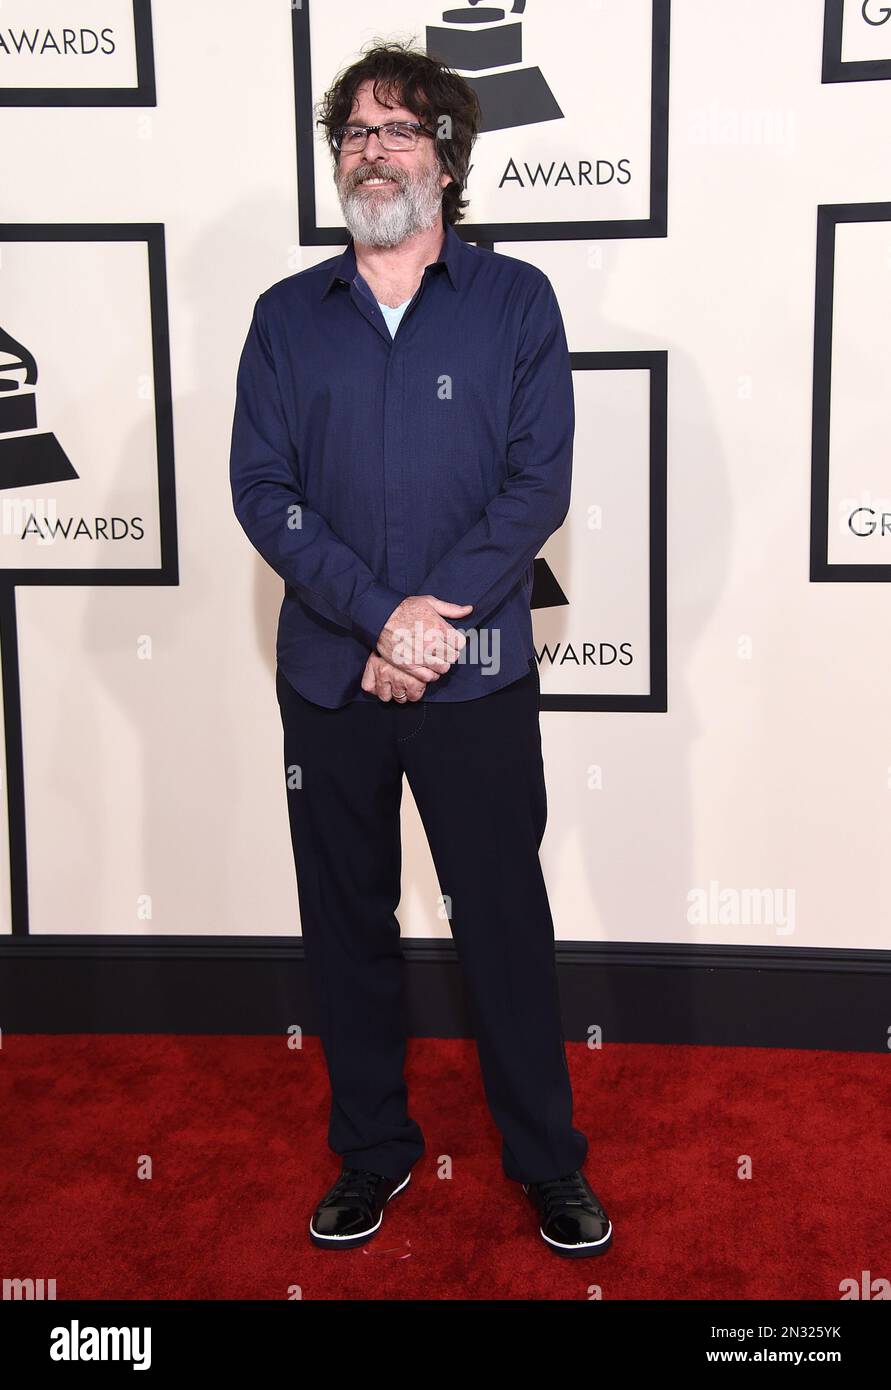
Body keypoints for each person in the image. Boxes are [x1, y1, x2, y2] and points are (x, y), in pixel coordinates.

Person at [229, 40, 612, 1260]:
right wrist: (376, 621)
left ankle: (549, 1165)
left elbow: (534, 483)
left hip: (479, 673)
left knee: (502, 919)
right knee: (347, 925)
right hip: (331, 679)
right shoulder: (287, 319)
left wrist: (432, 619)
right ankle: (372, 1154)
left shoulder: (516, 304)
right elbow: (264, 489)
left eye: (396, 130)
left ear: (445, 160)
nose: (370, 150)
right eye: (353, 133)